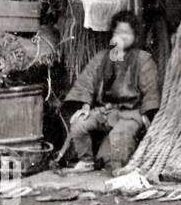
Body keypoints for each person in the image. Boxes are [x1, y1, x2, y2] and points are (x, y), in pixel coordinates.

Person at [63, 10, 159, 172]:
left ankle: (120, 170)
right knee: (78, 125)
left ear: (135, 36)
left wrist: (146, 115)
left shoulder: (143, 59)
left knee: (119, 137)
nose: (122, 37)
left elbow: (151, 90)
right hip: (106, 110)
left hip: (131, 112)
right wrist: (85, 107)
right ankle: (86, 161)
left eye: (126, 33)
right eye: (118, 32)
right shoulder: (103, 57)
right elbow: (87, 81)